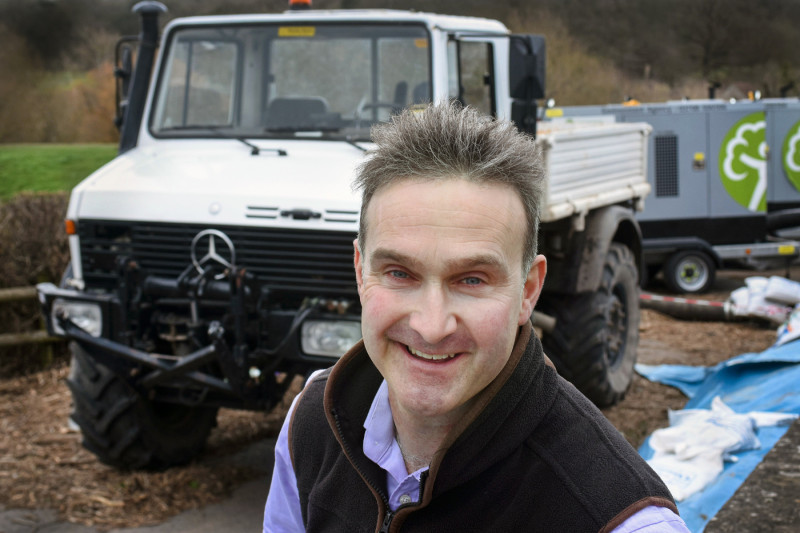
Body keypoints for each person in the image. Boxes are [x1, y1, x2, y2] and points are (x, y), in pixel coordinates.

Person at [263, 102, 688, 532]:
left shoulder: (620, 521)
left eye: (471, 280)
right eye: (399, 273)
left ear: (528, 291)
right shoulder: (312, 422)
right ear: (360, 271)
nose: (431, 325)